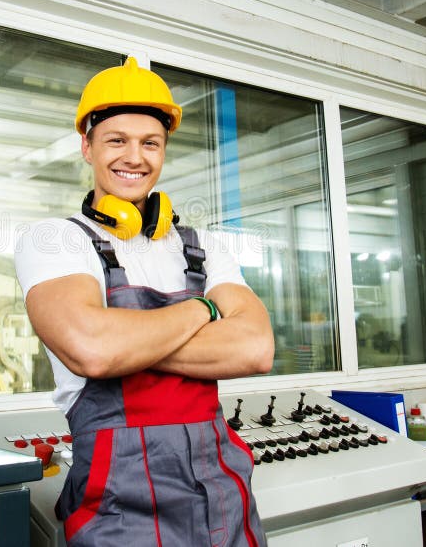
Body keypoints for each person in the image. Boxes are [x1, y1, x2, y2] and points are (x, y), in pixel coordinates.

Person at [15, 57, 274, 547]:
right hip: (119, 508)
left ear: (163, 151)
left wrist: (126, 340)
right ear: (87, 146)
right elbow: (92, 349)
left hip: (225, 499)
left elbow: (255, 349)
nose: (134, 156)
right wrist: (205, 311)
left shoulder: (202, 246)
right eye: (117, 140)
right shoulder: (54, 240)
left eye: (149, 143)